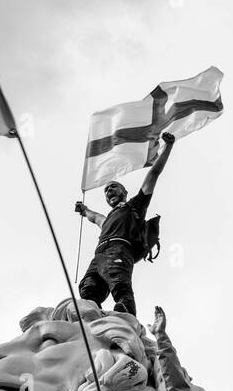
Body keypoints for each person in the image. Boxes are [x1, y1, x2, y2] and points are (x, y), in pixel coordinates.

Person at [74, 131, 175, 315]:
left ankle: (126, 318)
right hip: (99, 255)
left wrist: (167, 147)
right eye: (106, 190)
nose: (108, 190)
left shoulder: (134, 207)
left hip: (120, 249)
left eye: (113, 186)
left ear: (124, 191)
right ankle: (88, 323)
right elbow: (95, 217)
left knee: (120, 285)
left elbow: (153, 174)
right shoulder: (107, 221)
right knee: (88, 291)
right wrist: (84, 210)